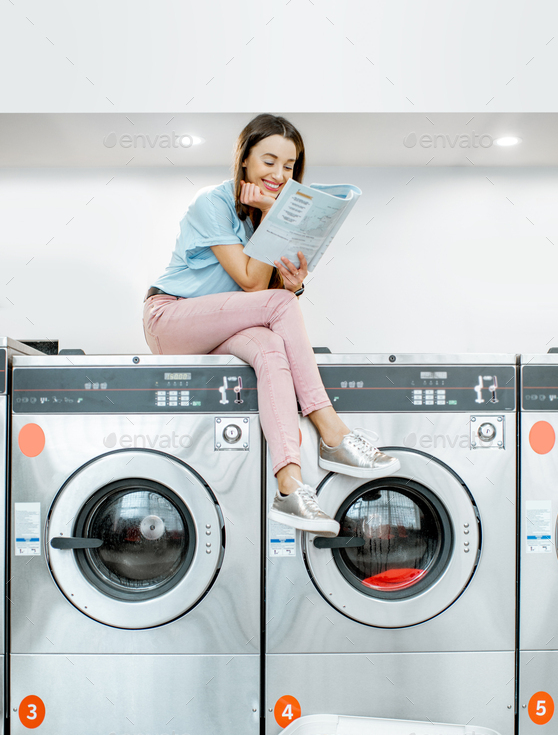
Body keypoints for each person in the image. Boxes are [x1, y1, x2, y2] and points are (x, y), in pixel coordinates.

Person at [143, 113, 401, 537]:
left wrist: (294, 285)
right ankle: (331, 430)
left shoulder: (266, 211)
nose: (279, 174)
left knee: (268, 346)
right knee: (278, 305)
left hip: (222, 329)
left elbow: (261, 293)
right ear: (244, 160)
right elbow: (251, 282)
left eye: (289, 166)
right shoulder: (213, 202)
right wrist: (273, 217)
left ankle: (290, 485)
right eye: (268, 161)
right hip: (171, 317)